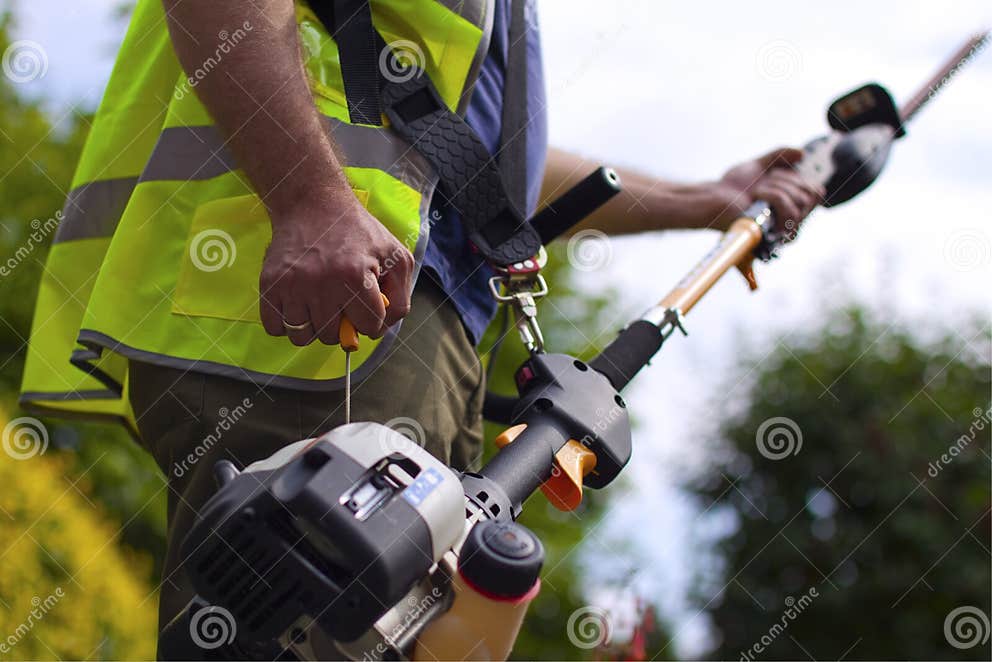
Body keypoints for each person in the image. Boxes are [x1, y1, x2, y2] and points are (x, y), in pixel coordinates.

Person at [19, 0, 822, 654]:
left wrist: (703, 201)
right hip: (325, 321)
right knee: (312, 626)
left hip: (387, 327)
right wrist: (310, 202)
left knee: (372, 632)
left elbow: (486, 165)